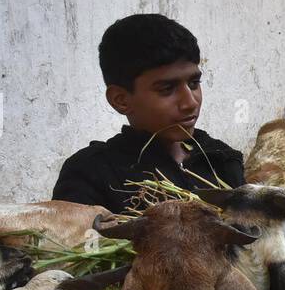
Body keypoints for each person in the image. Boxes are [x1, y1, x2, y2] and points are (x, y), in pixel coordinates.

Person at [52, 14, 246, 214]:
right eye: (167, 89)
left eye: (194, 83)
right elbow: (75, 242)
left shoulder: (221, 159)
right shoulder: (91, 174)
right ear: (121, 100)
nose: (190, 102)